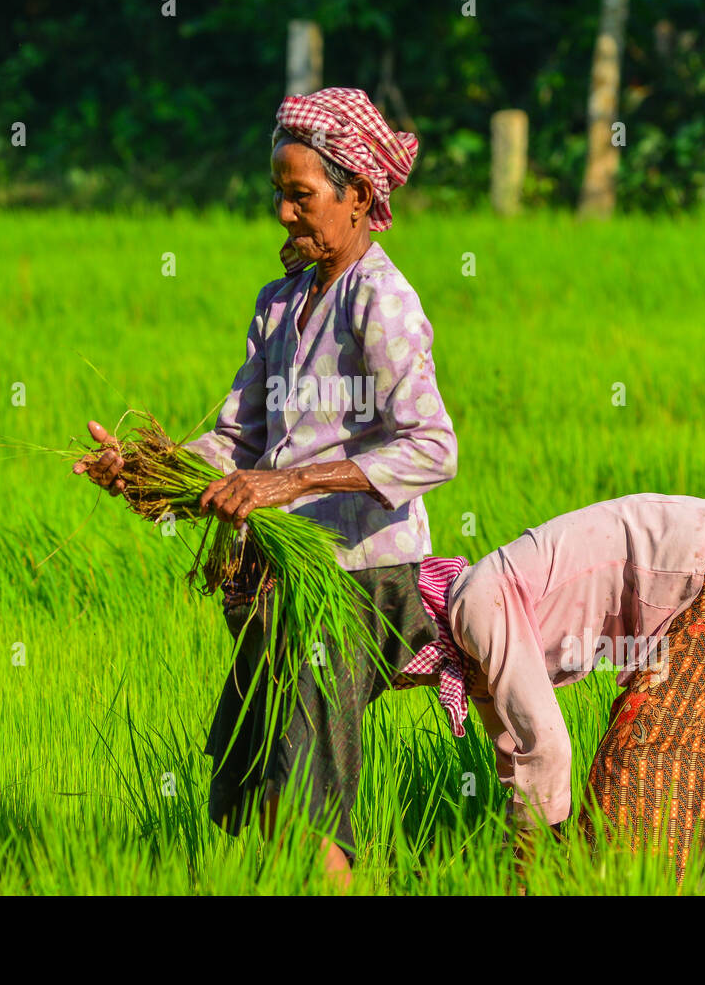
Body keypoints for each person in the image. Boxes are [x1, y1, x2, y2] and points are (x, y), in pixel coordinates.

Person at [73, 87, 457, 881]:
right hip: (276, 578)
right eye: (278, 196)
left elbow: (431, 447)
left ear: (358, 196)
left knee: (309, 790)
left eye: (301, 196)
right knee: (259, 794)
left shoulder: (381, 300)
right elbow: (238, 439)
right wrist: (149, 474)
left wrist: (289, 485)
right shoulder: (280, 302)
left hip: (359, 578)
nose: (284, 215)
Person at [395, 493, 705, 882]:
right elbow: (517, 746)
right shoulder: (472, 651)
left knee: (636, 771)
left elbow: (547, 745)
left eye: (401, 675)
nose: (411, 683)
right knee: (657, 767)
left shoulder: (476, 604)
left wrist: (534, 861)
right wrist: (523, 846)